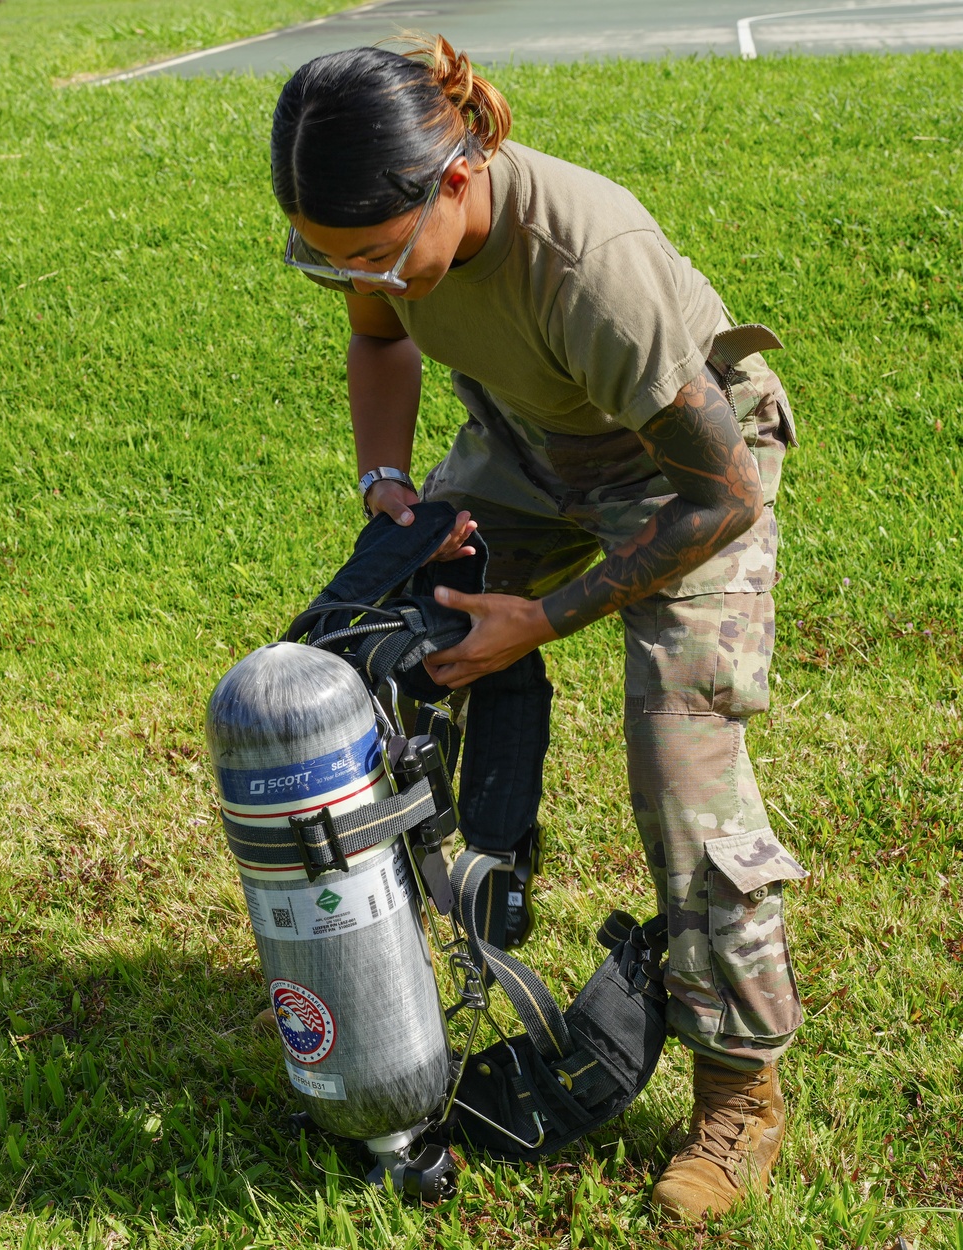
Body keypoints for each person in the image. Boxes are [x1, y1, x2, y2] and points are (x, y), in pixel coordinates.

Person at [269, 34, 808, 1221]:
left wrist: (543, 616)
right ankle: (382, 991)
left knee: (683, 767)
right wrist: (386, 483)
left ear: (458, 177)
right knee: (359, 657)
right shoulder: (371, 222)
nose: (363, 275)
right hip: (526, 446)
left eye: (372, 253)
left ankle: (740, 1085)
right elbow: (377, 336)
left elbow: (724, 494)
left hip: (683, 478)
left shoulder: (588, 260)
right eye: (329, 256)